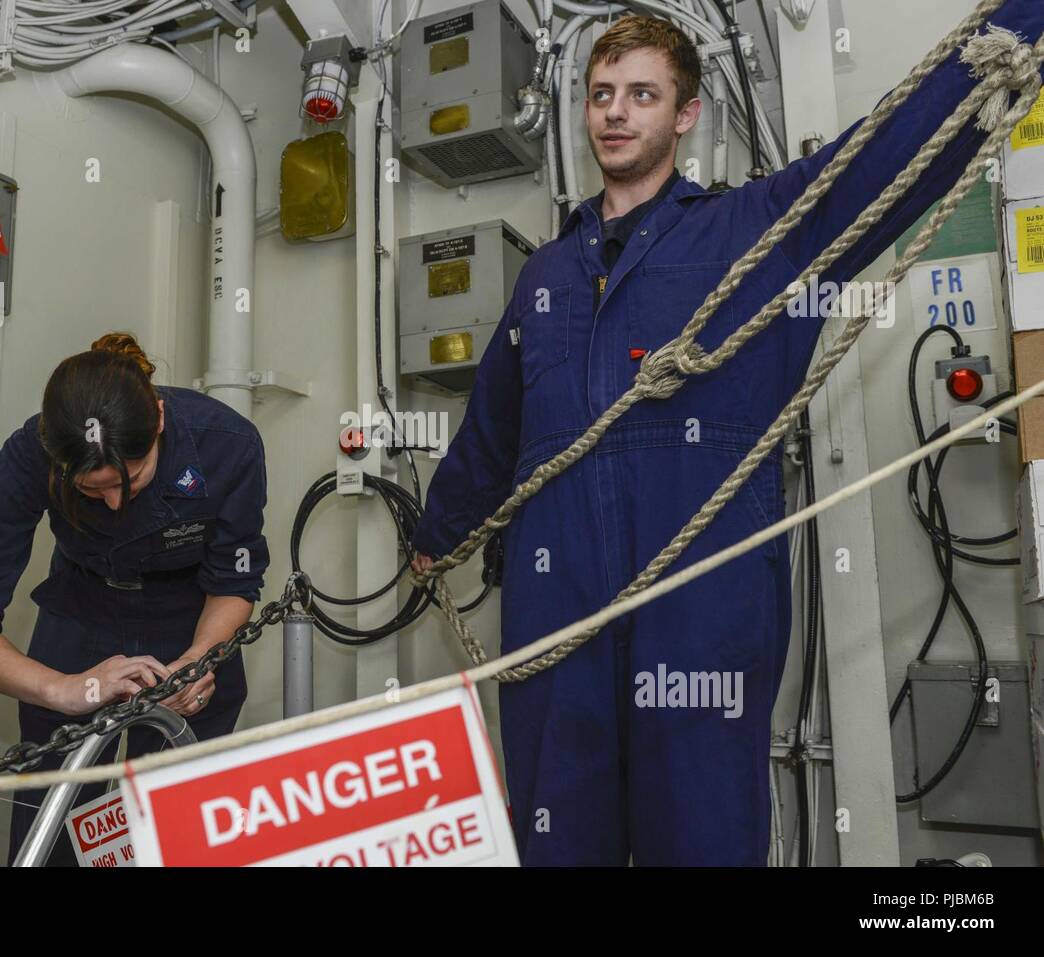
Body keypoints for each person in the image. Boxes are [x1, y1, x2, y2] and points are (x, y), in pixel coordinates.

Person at [411, 7, 1044, 865]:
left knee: (701, 838)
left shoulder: (759, 231)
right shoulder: (547, 276)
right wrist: (437, 535)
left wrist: (1011, 35)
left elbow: (885, 152)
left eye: (642, 94)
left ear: (686, 114)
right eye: (602, 94)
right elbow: (493, 432)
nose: (616, 113)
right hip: (555, 610)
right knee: (555, 835)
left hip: (700, 613)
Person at [0, 332, 270, 865]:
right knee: (53, 827)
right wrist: (63, 691)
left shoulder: (227, 443)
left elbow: (233, 580)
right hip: (80, 614)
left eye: (129, 481)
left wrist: (200, 661)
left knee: (181, 828)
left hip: (193, 621)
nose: (113, 504)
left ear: (157, 420)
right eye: (90, 491)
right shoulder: (29, 454)